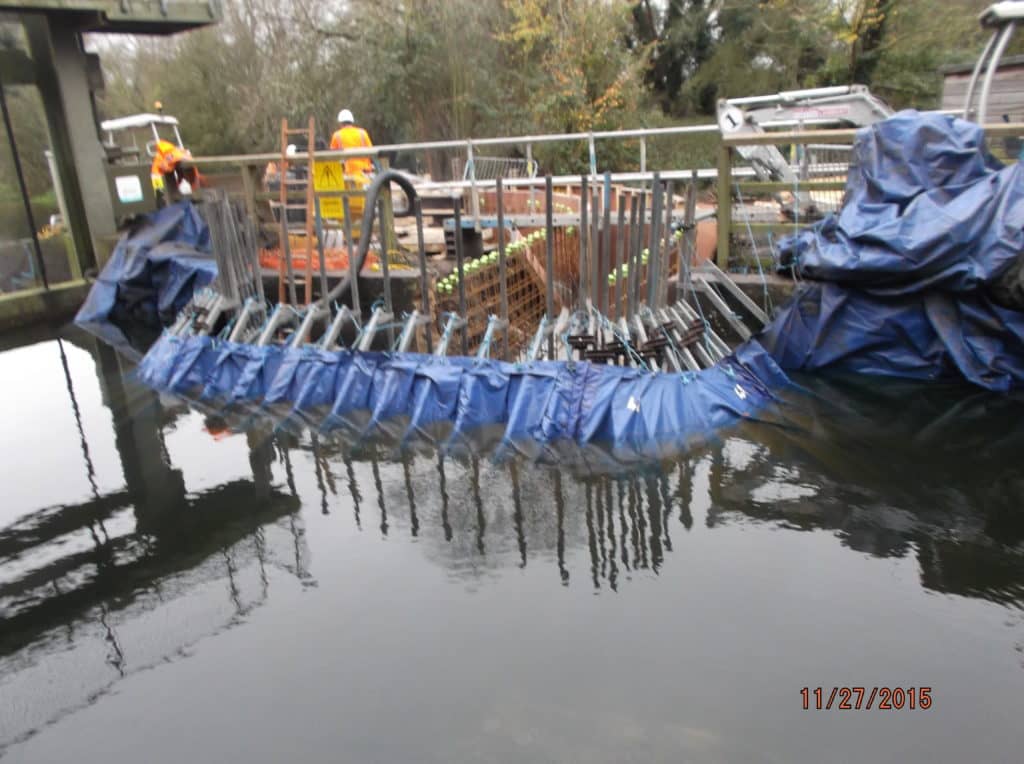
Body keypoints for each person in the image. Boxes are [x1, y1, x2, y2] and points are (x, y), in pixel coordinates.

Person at [330, 109, 374, 177]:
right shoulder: (362, 133)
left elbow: (332, 156)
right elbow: (372, 151)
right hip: (365, 172)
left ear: (340, 123)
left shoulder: (337, 135)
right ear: (352, 121)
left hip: (349, 173)